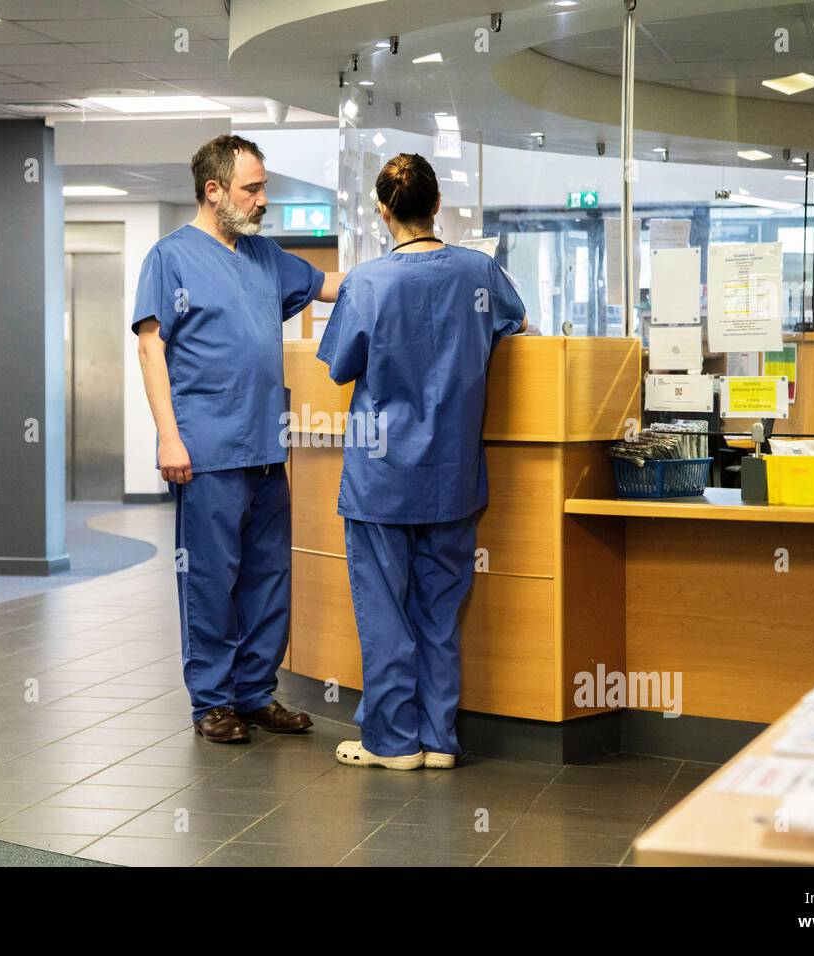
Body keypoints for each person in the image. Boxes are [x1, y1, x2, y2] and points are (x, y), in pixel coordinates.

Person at [316, 153, 527, 770]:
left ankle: (391, 741)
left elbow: (338, 366)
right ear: (437, 205)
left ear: (384, 213)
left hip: (383, 478)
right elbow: (513, 330)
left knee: (385, 612)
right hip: (453, 475)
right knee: (439, 612)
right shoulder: (479, 272)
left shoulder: (366, 283)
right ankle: (438, 738)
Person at [132, 134, 344, 743]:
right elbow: (151, 348)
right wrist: (169, 439)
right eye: (252, 188)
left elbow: (331, 285)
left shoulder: (264, 257)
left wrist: (406, 267)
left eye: (264, 187)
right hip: (206, 452)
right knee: (209, 579)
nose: (263, 200)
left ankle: (255, 692)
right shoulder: (170, 258)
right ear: (214, 190)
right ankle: (212, 703)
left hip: (266, 451)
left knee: (269, 577)